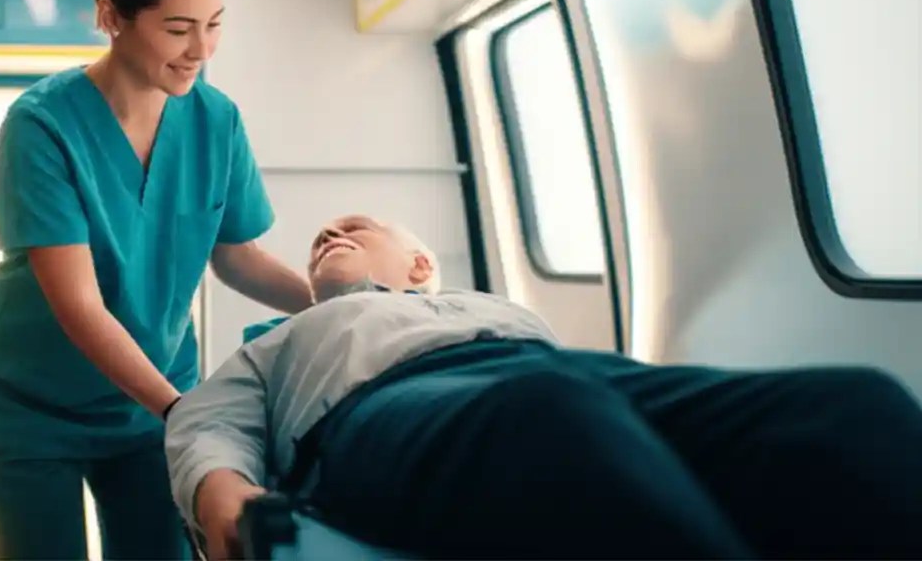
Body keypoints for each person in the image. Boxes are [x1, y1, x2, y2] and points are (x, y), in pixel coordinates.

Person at [166, 214, 922, 560]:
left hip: (568, 373)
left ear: (422, 266)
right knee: (550, 420)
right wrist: (220, 496)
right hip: (387, 409)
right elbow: (206, 424)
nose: (328, 238)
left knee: (854, 408)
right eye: (319, 240)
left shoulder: (500, 307)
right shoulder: (286, 341)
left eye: (353, 228)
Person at [0, 0, 314, 561]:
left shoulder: (217, 121)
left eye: (214, 26)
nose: (202, 49)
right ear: (111, 17)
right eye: (178, 29)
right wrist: (186, 412)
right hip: (36, 409)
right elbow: (79, 307)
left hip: (150, 405)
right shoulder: (41, 126)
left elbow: (237, 257)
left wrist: (342, 310)